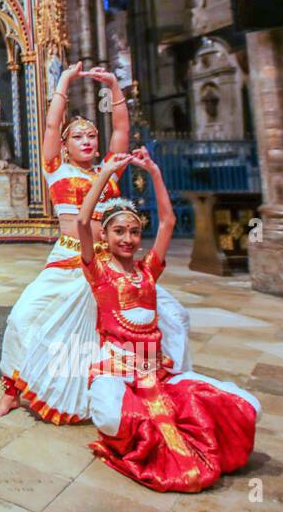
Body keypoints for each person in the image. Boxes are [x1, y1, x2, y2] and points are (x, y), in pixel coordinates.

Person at [0, 61, 193, 422]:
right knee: (24, 317)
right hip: (69, 259)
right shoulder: (57, 169)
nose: (87, 142)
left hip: (112, 264)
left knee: (168, 317)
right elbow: (51, 124)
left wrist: (115, 87)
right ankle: (12, 390)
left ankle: (125, 385)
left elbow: (121, 128)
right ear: (65, 147)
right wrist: (64, 80)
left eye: (91, 137)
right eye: (78, 138)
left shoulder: (108, 171)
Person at [76, 148, 259, 492]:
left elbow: (169, 221)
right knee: (114, 419)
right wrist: (106, 175)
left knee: (244, 406)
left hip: (156, 370)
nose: (128, 239)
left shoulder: (148, 270)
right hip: (115, 369)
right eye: (119, 231)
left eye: (133, 232)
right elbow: (83, 222)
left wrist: (154, 171)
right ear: (106, 235)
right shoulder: (98, 272)